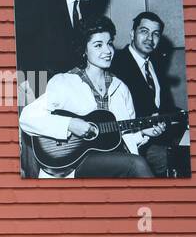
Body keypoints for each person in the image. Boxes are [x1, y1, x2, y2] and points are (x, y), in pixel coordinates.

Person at [19, 16, 164, 177]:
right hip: (75, 165)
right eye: (98, 45)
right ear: (84, 49)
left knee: (134, 162)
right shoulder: (64, 82)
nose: (108, 51)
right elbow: (27, 118)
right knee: (136, 164)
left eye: (109, 44)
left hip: (113, 160)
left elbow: (123, 137)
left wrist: (143, 133)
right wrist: (69, 124)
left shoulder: (121, 88)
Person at [15, 0, 106, 89]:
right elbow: (21, 43)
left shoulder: (87, 12)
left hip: (68, 90)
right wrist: (31, 87)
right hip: (36, 88)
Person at [111, 12, 186, 177]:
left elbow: (163, 107)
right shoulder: (116, 64)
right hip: (134, 143)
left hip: (161, 138)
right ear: (132, 33)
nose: (150, 38)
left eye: (155, 34)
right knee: (178, 160)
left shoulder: (155, 64)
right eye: (144, 31)